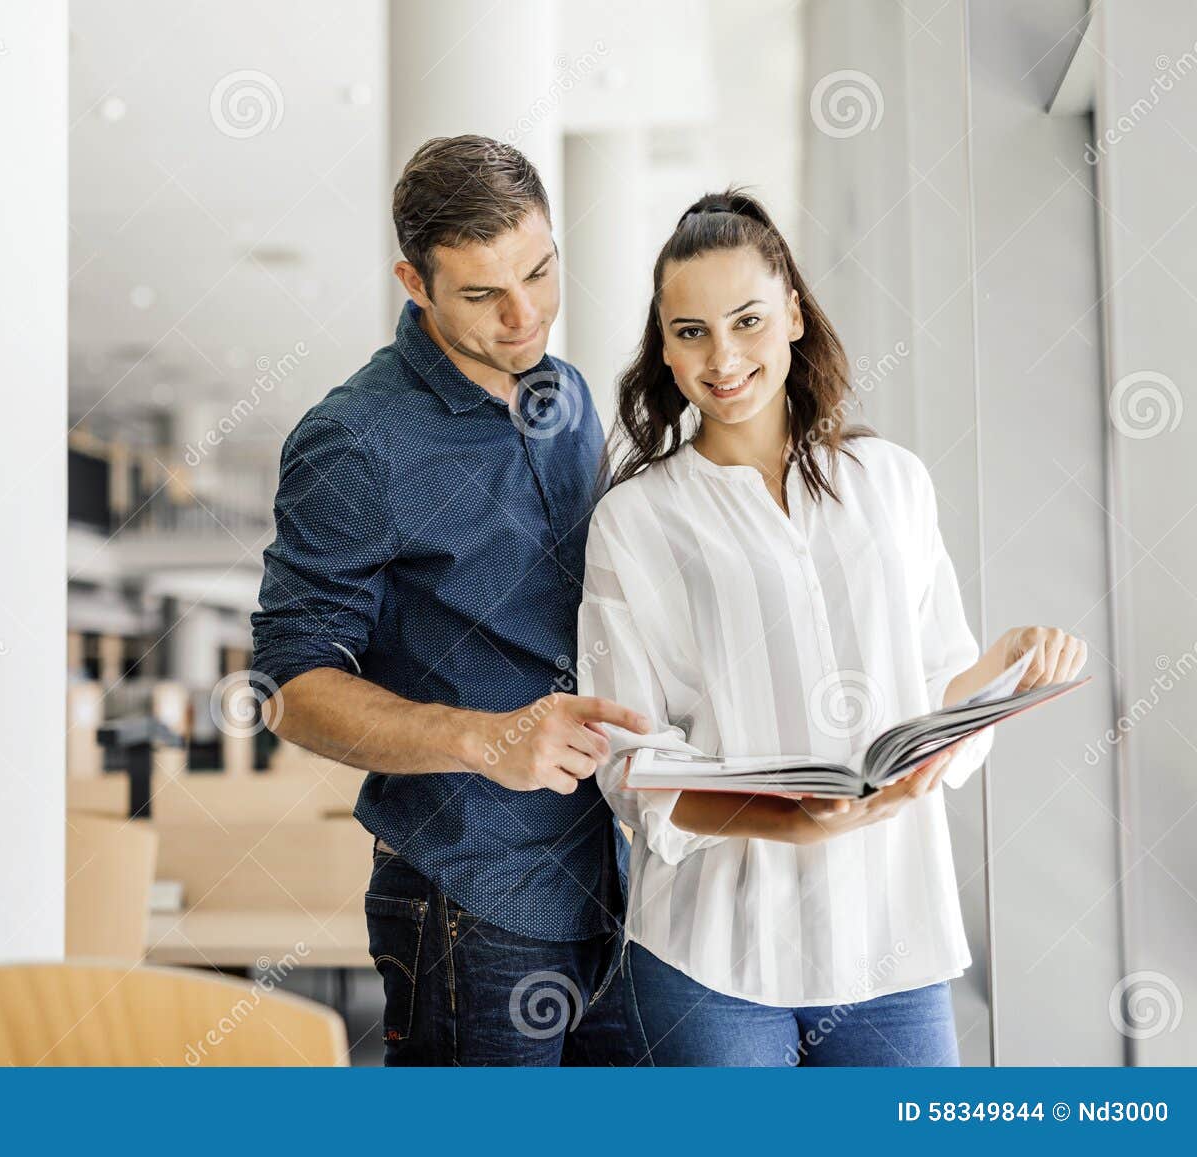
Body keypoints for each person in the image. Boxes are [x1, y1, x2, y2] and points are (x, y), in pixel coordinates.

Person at [578, 189, 1088, 1067]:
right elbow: (630, 763)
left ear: (796, 317)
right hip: (712, 953)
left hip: (892, 937)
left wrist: (1004, 671)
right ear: (663, 348)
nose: (724, 356)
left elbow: (932, 691)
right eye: (691, 331)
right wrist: (791, 825)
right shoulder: (637, 520)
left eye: (748, 320)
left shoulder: (891, 482)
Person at [250, 135, 649, 1065]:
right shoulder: (354, 441)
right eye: (480, 294)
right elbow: (289, 684)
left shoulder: (567, 392)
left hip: (616, 878)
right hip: (473, 895)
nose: (524, 315)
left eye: (541, 273)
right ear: (414, 282)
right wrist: (485, 738)